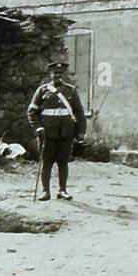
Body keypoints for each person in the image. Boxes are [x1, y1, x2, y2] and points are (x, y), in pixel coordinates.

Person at [27, 60, 86, 202]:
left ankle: (62, 190)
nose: (58, 76)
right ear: (50, 74)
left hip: (66, 133)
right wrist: (38, 127)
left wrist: (80, 132)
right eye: (55, 73)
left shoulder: (70, 91)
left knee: (63, 162)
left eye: (60, 73)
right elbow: (32, 112)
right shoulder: (42, 91)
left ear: (64, 75)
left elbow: (79, 112)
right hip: (47, 134)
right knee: (46, 162)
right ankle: (45, 191)